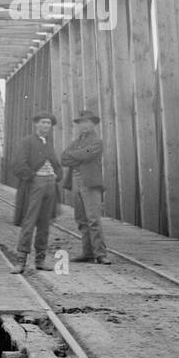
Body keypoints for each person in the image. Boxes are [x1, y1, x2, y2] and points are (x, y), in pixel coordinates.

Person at [9, 112, 62, 274]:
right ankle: (20, 262)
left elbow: (56, 164)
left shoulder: (49, 143)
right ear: (36, 124)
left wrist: (57, 175)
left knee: (45, 223)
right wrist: (33, 176)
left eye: (49, 124)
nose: (46, 126)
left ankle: (40, 260)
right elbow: (18, 165)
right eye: (43, 123)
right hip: (35, 185)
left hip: (50, 185)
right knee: (29, 222)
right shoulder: (27, 142)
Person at [60, 107, 112, 264]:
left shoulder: (97, 142)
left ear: (93, 124)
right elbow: (63, 159)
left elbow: (84, 155)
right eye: (81, 123)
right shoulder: (77, 142)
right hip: (76, 184)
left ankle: (101, 254)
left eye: (87, 122)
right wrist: (80, 156)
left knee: (93, 219)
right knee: (81, 220)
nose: (84, 125)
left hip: (90, 184)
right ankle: (88, 253)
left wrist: (76, 155)